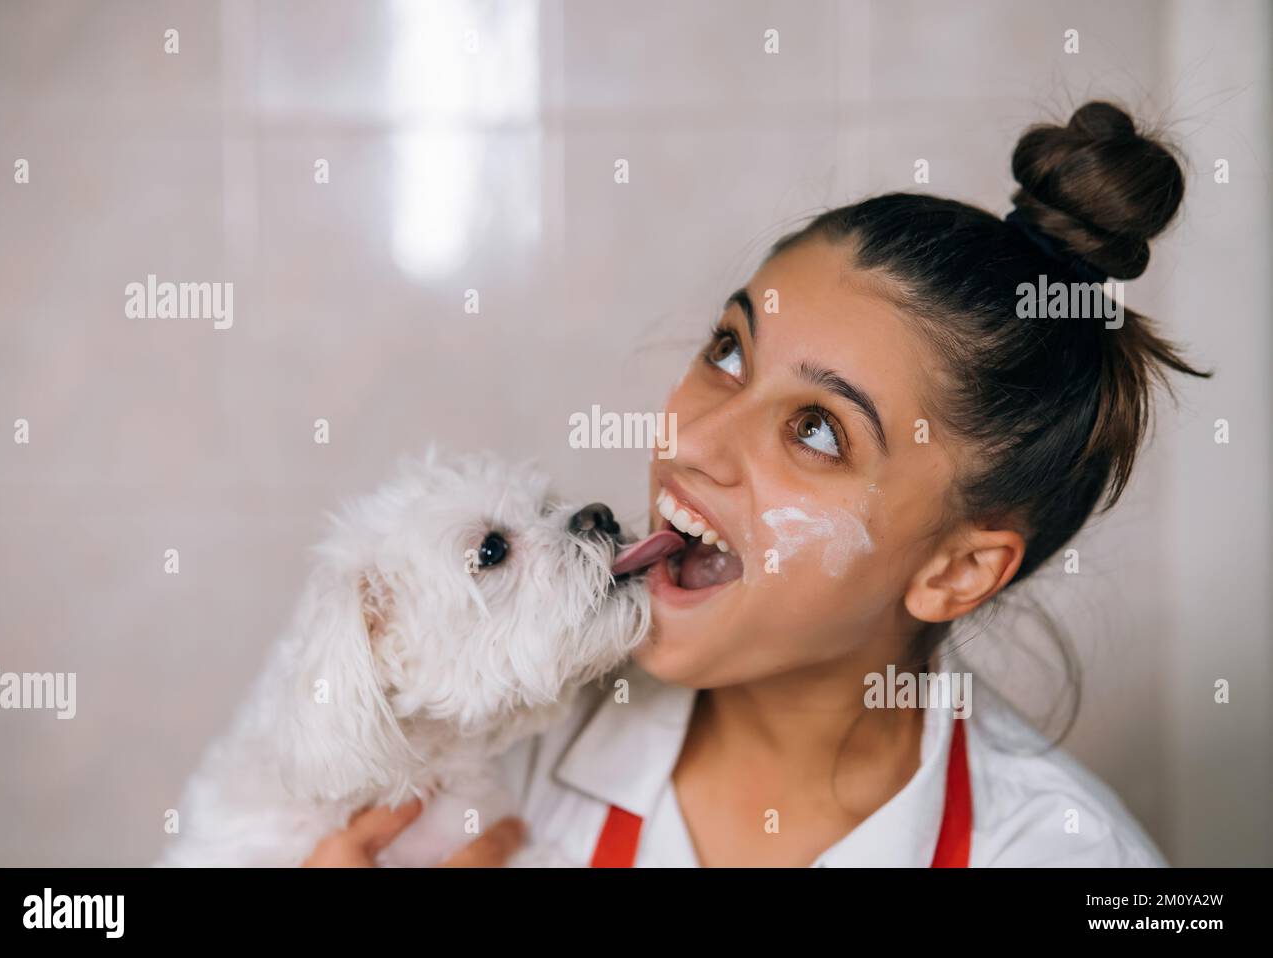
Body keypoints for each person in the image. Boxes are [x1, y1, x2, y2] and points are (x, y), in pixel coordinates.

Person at [306, 101, 1207, 868]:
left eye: (819, 430)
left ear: (956, 572)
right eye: (729, 352)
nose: (694, 438)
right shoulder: (491, 754)